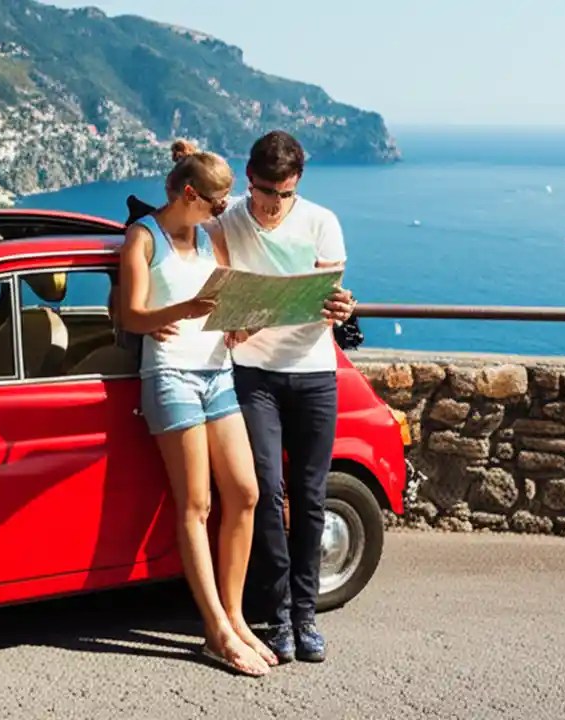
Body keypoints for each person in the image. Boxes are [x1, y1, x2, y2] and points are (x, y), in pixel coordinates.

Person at [116, 140, 278, 677]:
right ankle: (215, 631)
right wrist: (185, 307)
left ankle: (233, 618)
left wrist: (240, 322)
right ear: (190, 194)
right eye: (216, 204)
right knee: (197, 504)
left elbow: (229, 306)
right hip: (170, 376)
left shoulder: (211, 241)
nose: (222, 212)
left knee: (247, 493)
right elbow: (134, 316)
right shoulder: (143, 238)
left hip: (216, 372)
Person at [205, 130, 357, 664]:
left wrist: (342, 308)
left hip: (314, 372)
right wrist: (229, 323)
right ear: (249, 181)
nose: (272, 205)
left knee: (310, 494)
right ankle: (277, 615)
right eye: (265, 192)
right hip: (254, 374)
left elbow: (335, 293)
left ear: (298, 186)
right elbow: (182, 249)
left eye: (283, 194)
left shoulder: (321, 221)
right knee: (265, 490)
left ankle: (306, 611)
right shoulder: (227, 222)